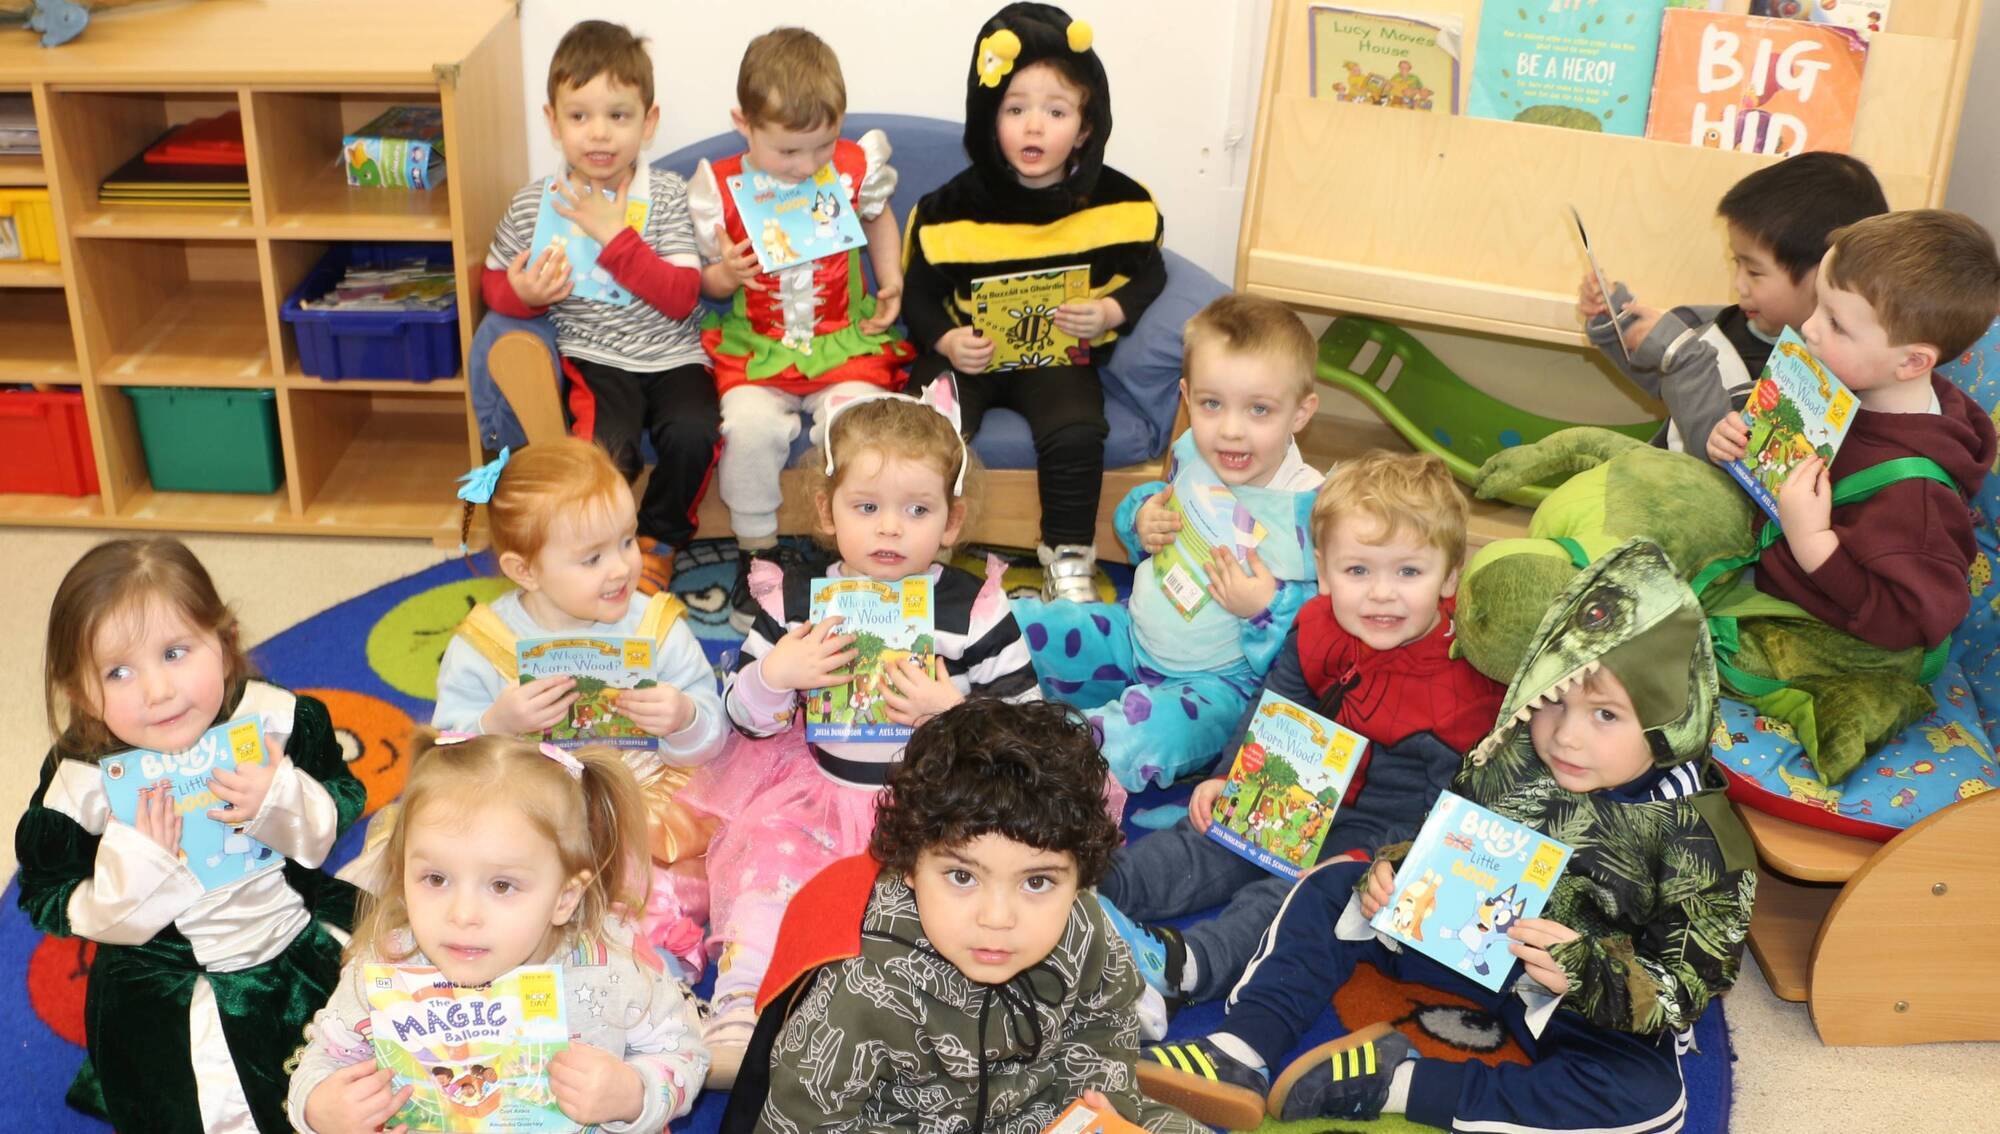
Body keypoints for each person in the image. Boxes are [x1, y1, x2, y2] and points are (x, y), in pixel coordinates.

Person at [1135, 540, 1755, 1134]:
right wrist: (1397, 869)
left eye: (1606, 716)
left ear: (1669, 719)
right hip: (1464, 935)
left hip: (1577, 997)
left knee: (1650, 1105)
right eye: (1553, 701)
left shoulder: (1700, 838)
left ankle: (1400, 1085)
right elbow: (1449, 832)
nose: (1567, 736)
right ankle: (1240, 1047)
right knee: (1335, 886)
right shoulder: (1511, 751)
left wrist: (1587, 974)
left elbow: (1690, 981)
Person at [680, 382, 1058, 1084]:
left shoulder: (971, 608)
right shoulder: (794, 601)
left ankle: (926, 1029)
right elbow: (742, 718)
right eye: (866, 508)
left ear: (952, 521)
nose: (890, 529)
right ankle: (740, 1007)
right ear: (826, 511)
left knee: (951, 914)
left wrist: (958, 713)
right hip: (812, 796)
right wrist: (778, 674)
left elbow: (1032, 730)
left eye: (917, 510)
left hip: (939, 810)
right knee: (768, 882)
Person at [1098, 451, 1504, 1016]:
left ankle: (1187, 967)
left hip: (1381, 832)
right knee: (1209, 839)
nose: (1380, 593)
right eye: (1356, 570)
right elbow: (1275, 704)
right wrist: (1227, 778)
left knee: (1290, 897)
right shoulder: (1316, 623)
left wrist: (1397, 863)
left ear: (1451, 575)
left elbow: (1455, 803)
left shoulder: (1468, 677)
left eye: (1408, 572)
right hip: (1297, 787)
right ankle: (1086, 890)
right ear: (1323, 566)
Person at [723, 699, 1202, 1134]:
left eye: (1037, 882)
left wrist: (1097, 1105)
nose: (997, 918)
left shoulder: (1085, 929)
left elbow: (1104, 1021)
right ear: (910, 865)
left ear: (1078, 879)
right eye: (962, 877)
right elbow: (801, 1122)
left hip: (1046, 1109)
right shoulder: (859, 991)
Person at [15, 537, 366, 1132]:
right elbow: (48, 891)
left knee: (390, 1025)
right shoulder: (83, 782)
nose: (157, 691)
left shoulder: (274, 719)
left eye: (176, 652)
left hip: (294, 936)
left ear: (224, 645)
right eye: (119, 672)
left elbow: (342, 793)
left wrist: (280, 797)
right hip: (167, 985)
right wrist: (130, 878)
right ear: (80, 693)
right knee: (196, 1101)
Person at [289, 733, 707, 1134]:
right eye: (435, 879)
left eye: (502, 886)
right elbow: (321, 1058)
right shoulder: (385, 967)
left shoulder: (613, 972)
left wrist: (633, 1094)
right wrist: (320, 1109)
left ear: (565, 897)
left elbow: (685, 1055)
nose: (463, 914)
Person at [423, 438, 724, 971]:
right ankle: (518, 966)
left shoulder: (655, 622)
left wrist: (683, 717)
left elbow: (713, 734)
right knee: (464, 871)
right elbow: (445, 753)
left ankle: (651, 974)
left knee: (653, 885)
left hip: (639, 798)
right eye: (592, 558)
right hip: (523, 804)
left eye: (628, 541)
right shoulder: (485, 642)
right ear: (526, 570)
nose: (621, 569)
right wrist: (497, 723)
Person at [902, 2, 1167, 601]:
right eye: (1015, 109)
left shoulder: (1121, 205)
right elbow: (918, 294)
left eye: (1056, 111)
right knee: (922, 429)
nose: (1034, 127)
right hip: (970, 352)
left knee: (1077, 428)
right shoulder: (949, 209)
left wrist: (1110, 312)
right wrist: (945, 339)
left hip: (1057, 357)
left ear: (1086, 125)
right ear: (989, 118)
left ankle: (1070, 557)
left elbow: (1149, 275)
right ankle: (915, 553)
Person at [1017, 293, 1321, 789]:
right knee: (1023, 626)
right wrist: (1139, 520)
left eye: (1259, 410)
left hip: (1217, 688)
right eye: (1211, 404)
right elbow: (1152, 502)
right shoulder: (1193, 450)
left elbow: (1326, 631)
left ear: (1301, 413)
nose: (1230, 431)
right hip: (1132, 635)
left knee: (1139, 735)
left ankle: (1035, 765)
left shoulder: (1311, 510)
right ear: (1186, 396)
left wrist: (1266, 606)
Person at [687, 26, 915, 623]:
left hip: (843, 344)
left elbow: (881, 218)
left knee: (857, 427)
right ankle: (758, 554)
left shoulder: (852, 167)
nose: (807, 165)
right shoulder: (721, 188)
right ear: (744, 123)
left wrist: (891, 278)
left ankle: (856, 553)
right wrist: (725, 275)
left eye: (822, 145)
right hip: (759, 350)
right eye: (789, 151)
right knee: (748, 428)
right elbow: (703, 281)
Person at [483, 20, 718, 591]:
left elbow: (682, 294)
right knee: (602, 453)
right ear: (552, 122)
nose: (600, 134)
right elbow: (493, 283)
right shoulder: (538, 202)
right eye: (579, 116)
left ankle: (659, 539)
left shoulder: (665, 195)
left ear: (649, 121)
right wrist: (525, 295)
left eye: (619, 115)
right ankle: (596, 547)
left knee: (696, 431)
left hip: (673, 354)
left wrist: (617, 238)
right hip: (594, 355)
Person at [1707, 209, 2000, 654]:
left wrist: (1814, 543)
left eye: (1836, 324)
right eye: (1818, 306)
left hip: (1822, 637)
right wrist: (1738, 443)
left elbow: (1910, 624)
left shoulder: (1918, 496)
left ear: (1911, 362)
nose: (1808, 328)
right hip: (1765, 566)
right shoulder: (1841, 380)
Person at [1579, 151, 1888, 455]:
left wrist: (1682, 357)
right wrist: (1614, 320)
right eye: (1735, 262)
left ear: (1825, 272)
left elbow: (1731, 461)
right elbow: (1671, 386)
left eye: (1754, 271)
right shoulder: (1725, 324)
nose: (1738, 284)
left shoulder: (1823, 378)